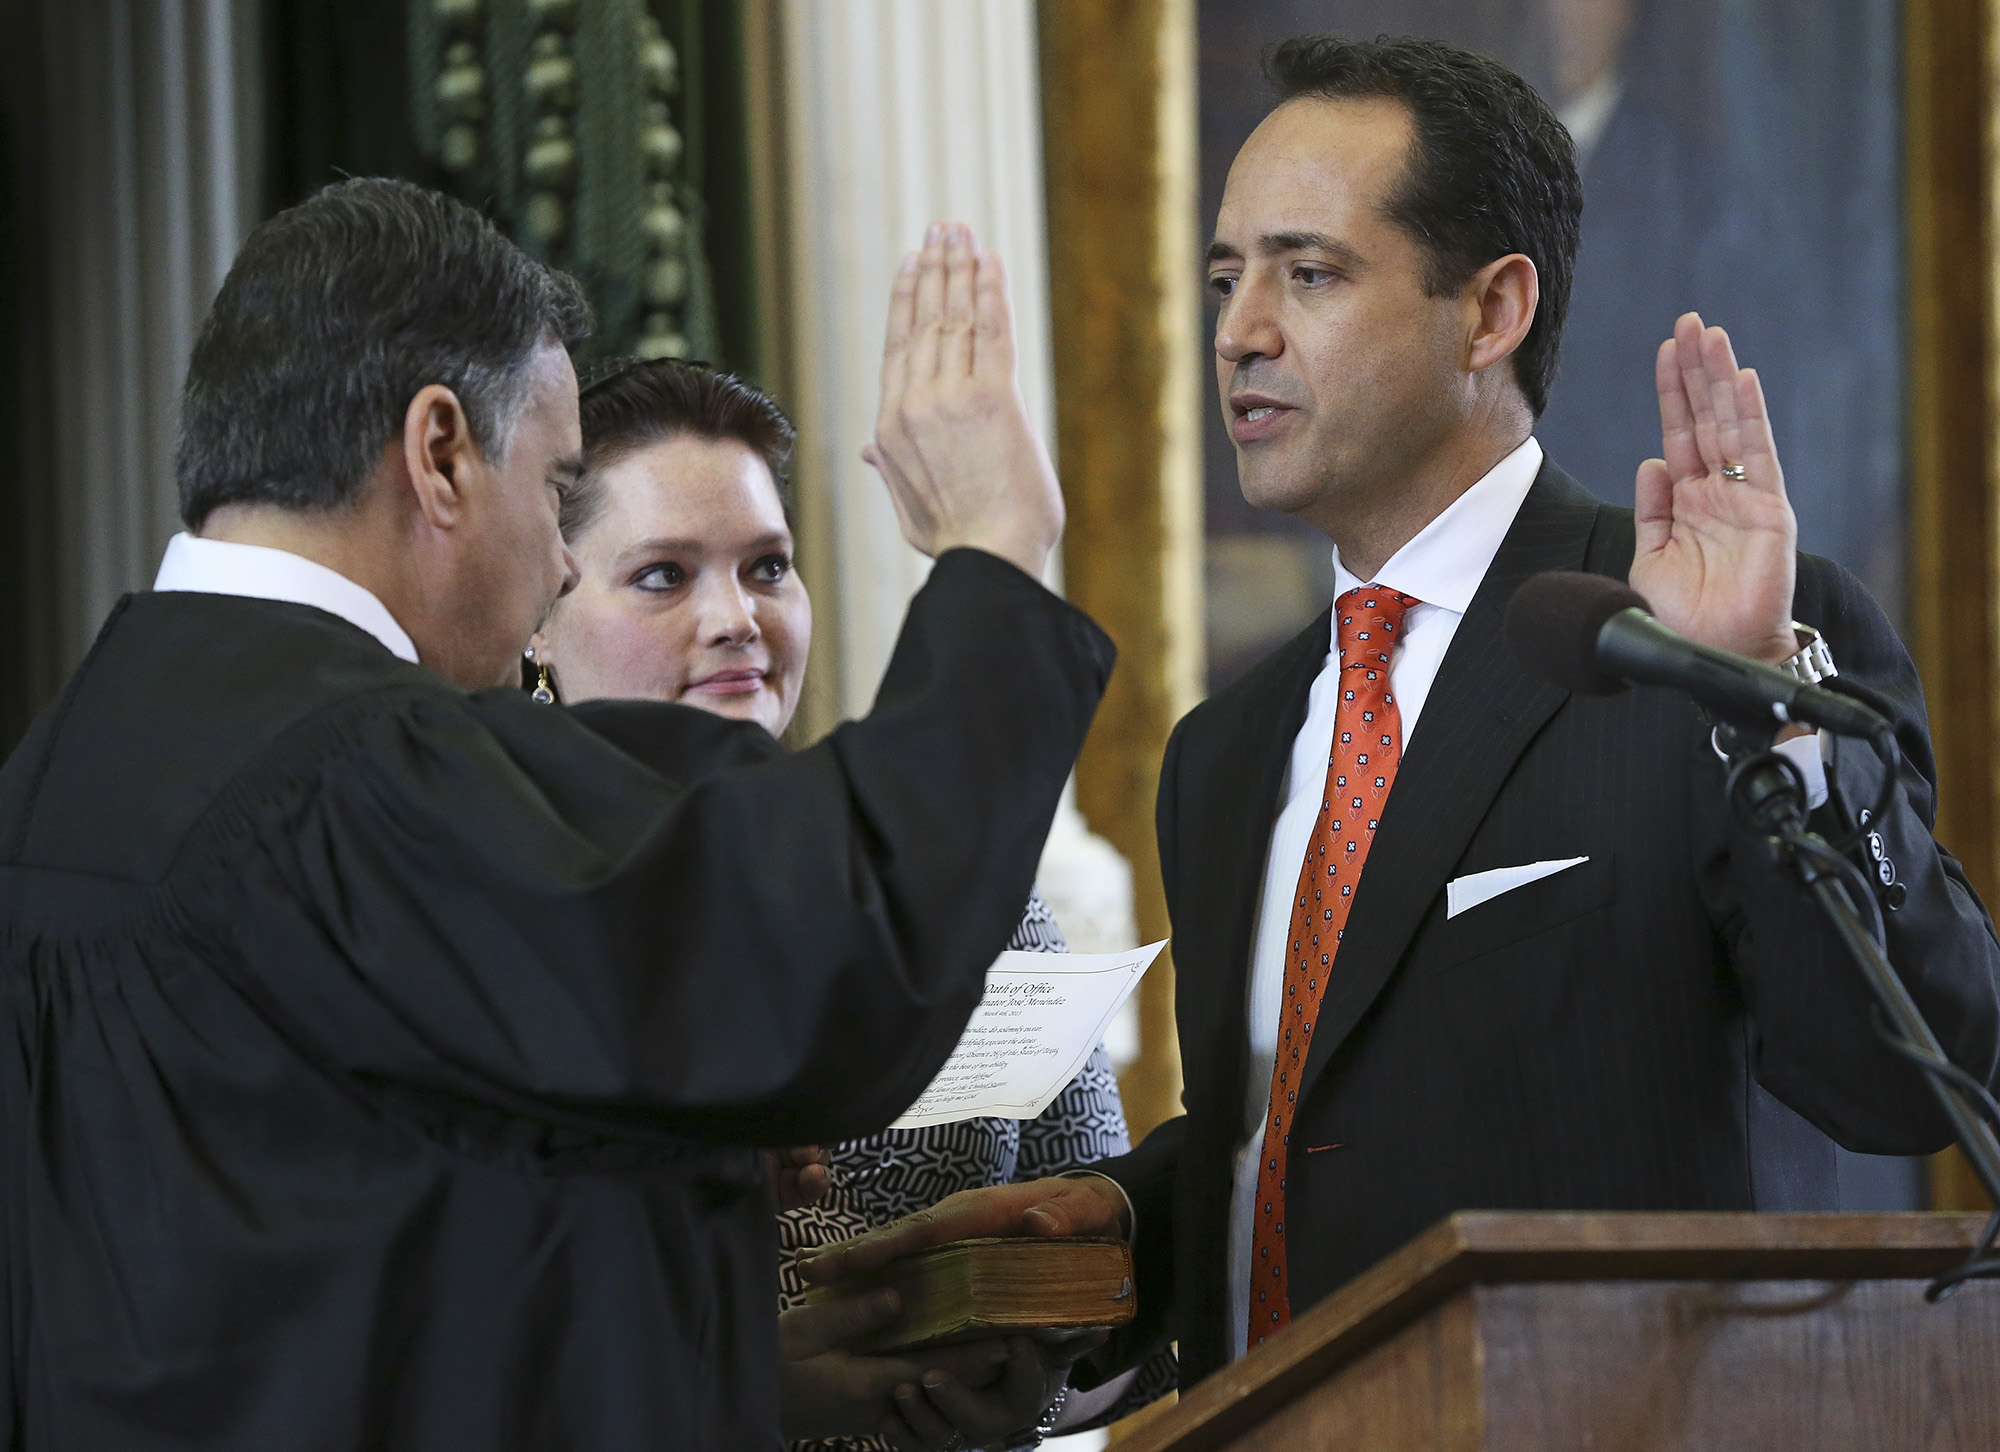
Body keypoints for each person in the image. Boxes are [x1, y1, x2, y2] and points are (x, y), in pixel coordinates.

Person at [800, 33, 2000, 1395]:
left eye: (1306, 273)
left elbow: (1911, 1078)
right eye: (1224, 275)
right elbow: (1324, 1130)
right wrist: (1135, 1213)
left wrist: (1768, 709)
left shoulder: (1697, 652)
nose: (1239, 330)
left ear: (1488, 313)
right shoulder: (1226, 753)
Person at [0, 181, 1113, 1450]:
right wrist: (994, 551)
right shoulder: (354, 771)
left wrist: (726, 1344)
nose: (562, 561)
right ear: (439, 454)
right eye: (557, 485)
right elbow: (840, 958)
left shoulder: (62, 773)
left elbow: (342, 1302)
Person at [525, 356, 1177, 1449]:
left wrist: (1036, 1377)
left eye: (765, 568)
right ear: (537, 613)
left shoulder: (946, 881)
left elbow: (1118, 1307)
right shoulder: (488, 898)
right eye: (663, 576)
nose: (735, 618)